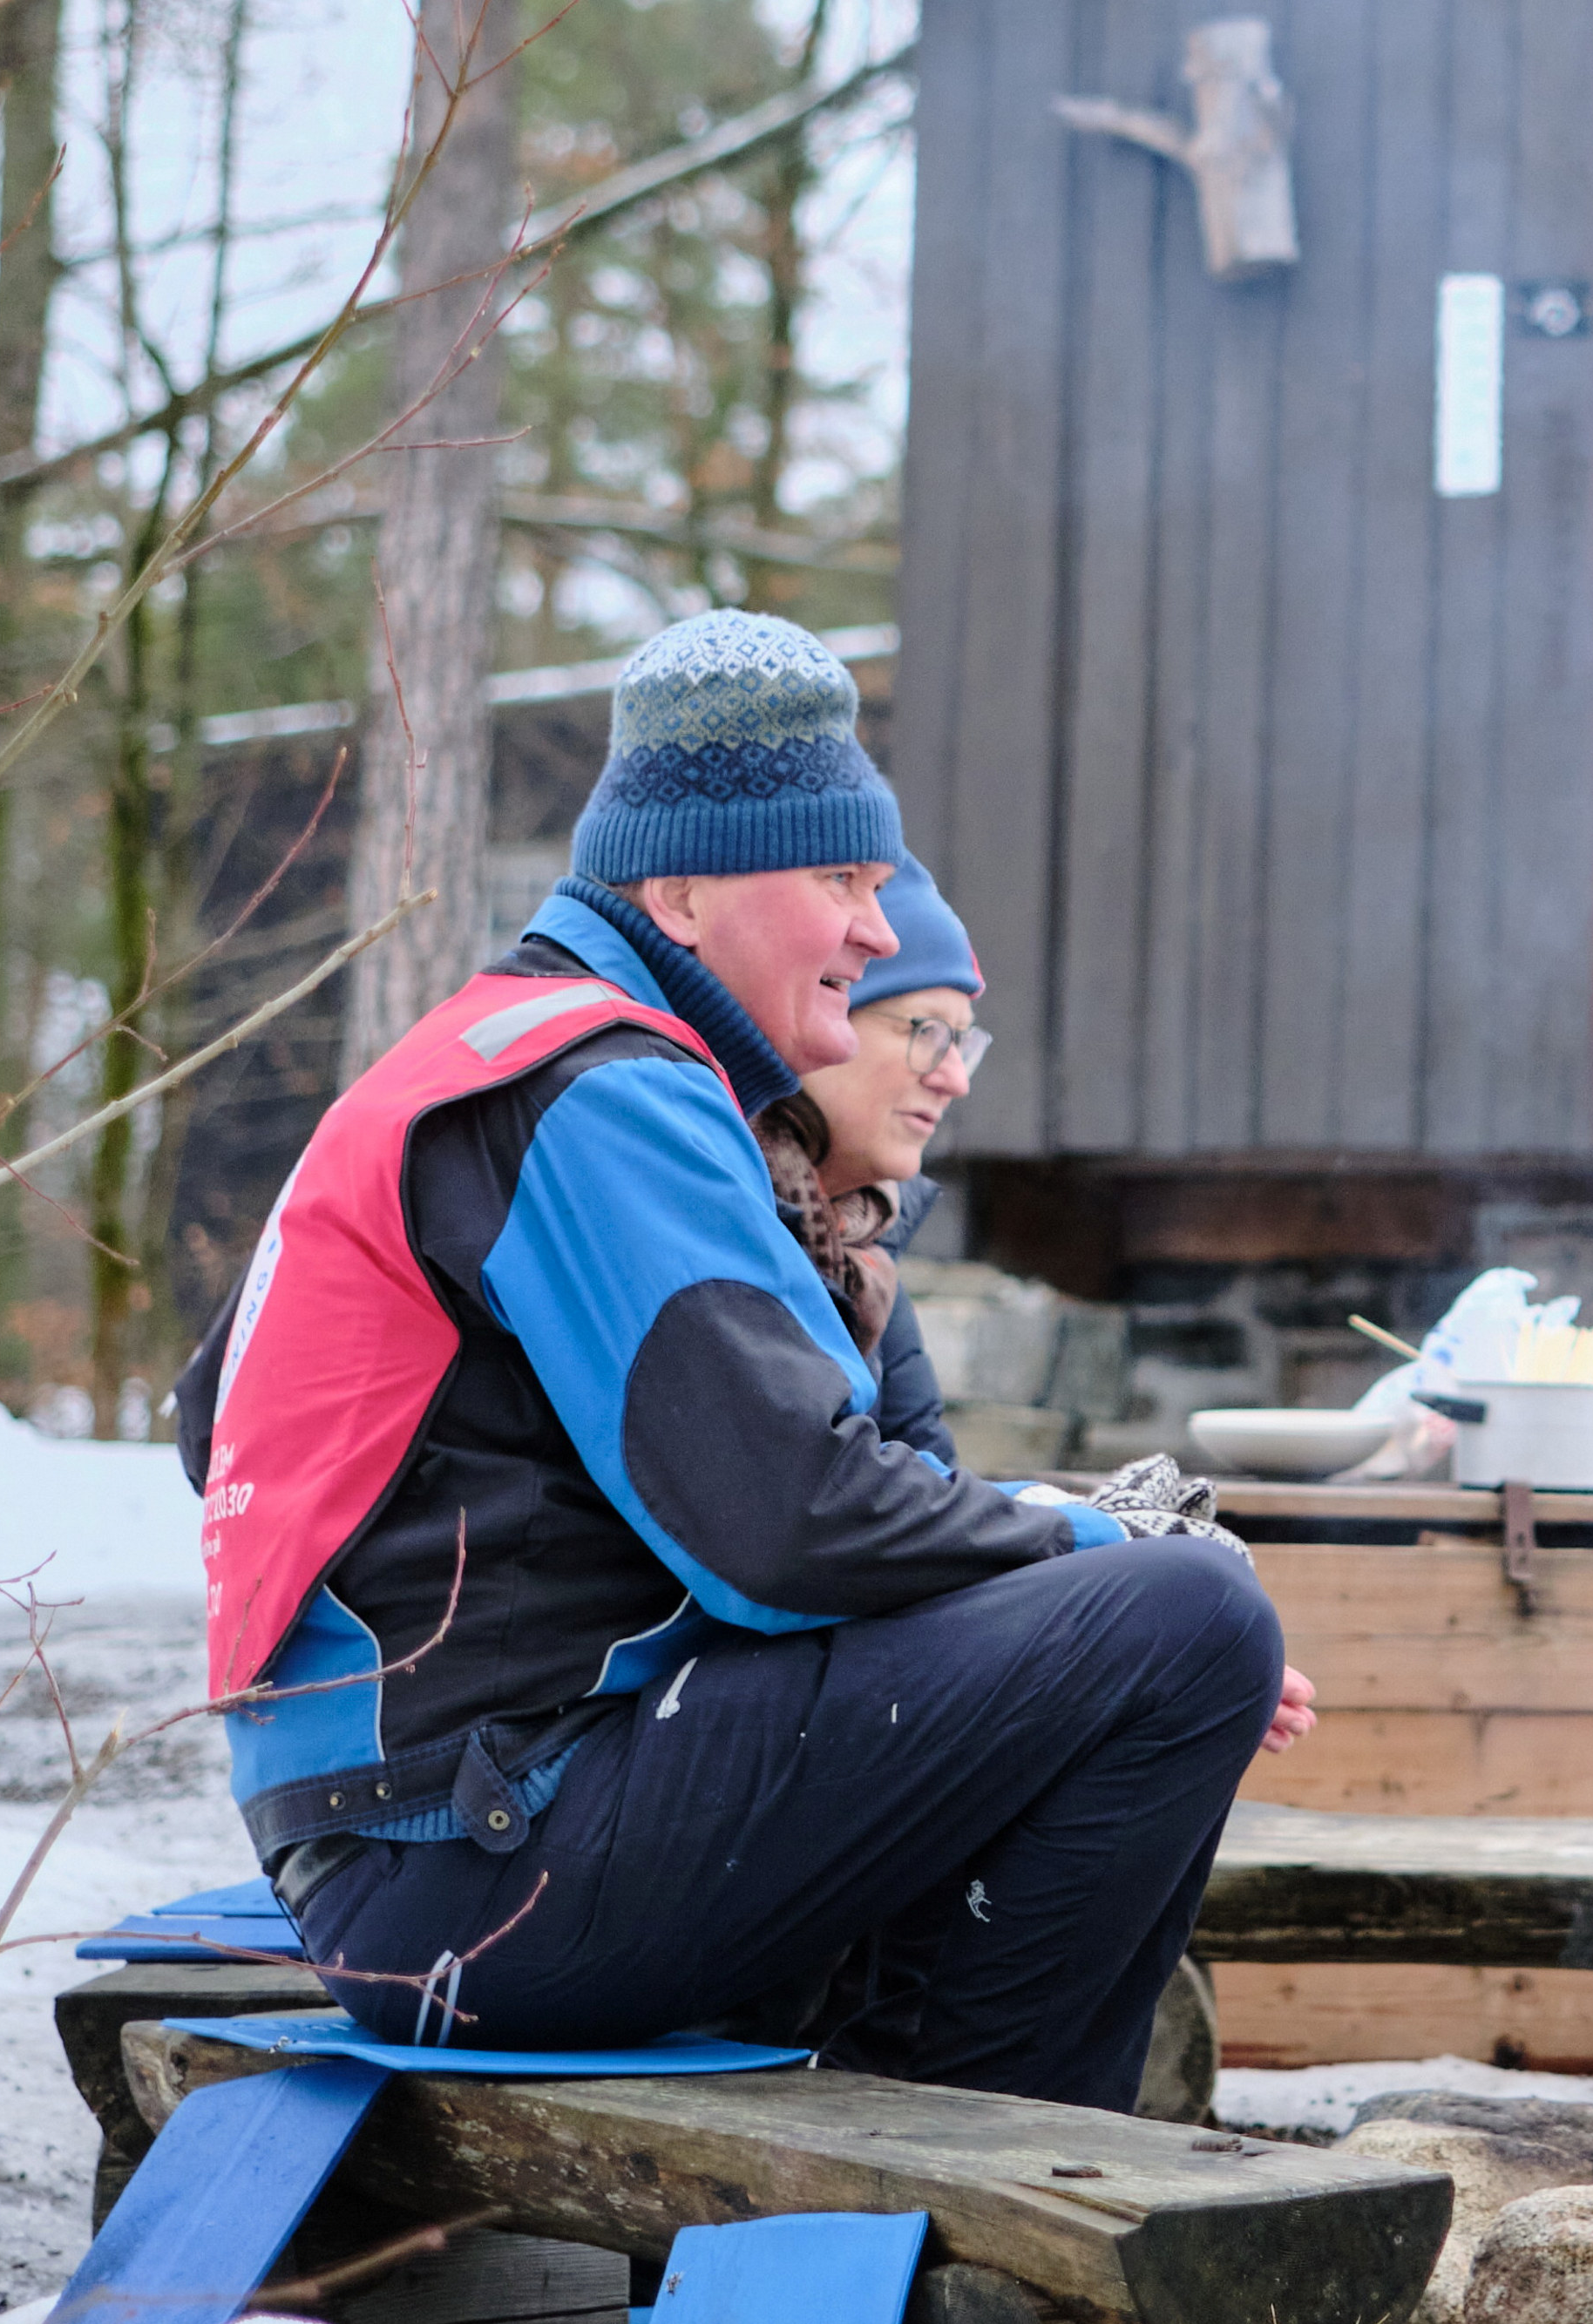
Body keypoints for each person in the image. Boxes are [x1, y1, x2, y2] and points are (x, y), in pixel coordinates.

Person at [173, 612, 1312, 2107]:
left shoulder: (483, 1057)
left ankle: (935, 2139)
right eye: (837, 879)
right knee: (1190, 1623)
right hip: (473, 1872)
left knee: (1132, 1626)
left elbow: (212, 1418)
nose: (871, 926)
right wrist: (1100, 1541)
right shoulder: (605, 1090)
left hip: (406, 1853)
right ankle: (970, 2175)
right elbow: (788, 1530)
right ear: (683, 892)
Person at [767, 863, 986, 1466]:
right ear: (826, 1015)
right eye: (929, 1032)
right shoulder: (726, 1212)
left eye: (965, 1044)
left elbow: (928, 1479)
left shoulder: (863, 1246)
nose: (954, 1078)